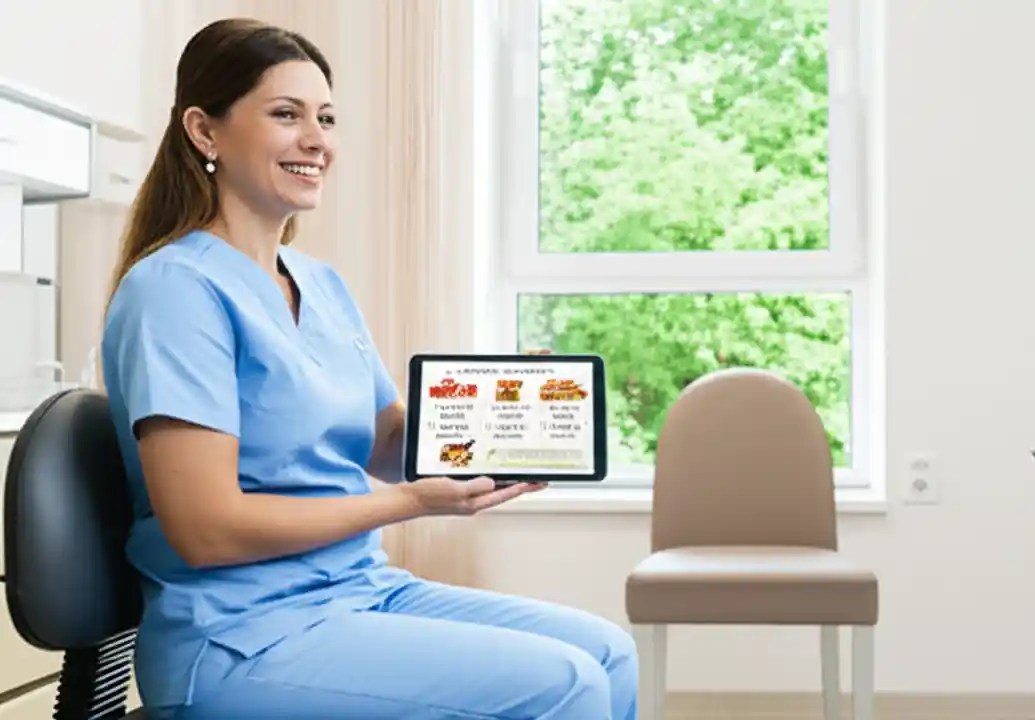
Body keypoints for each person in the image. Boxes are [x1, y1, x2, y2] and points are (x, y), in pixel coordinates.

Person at [100, 17, 637, 719]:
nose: (317, 139)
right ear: (205, 132)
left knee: (608, 655)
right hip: (240, 637)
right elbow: (207, 529)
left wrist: (505, 407)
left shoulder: (320, 285)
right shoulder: (175, 290)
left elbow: (387, 444)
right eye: (285, 114)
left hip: (355, 590)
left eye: (325, 117)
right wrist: (412, 504)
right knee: (564, 685)